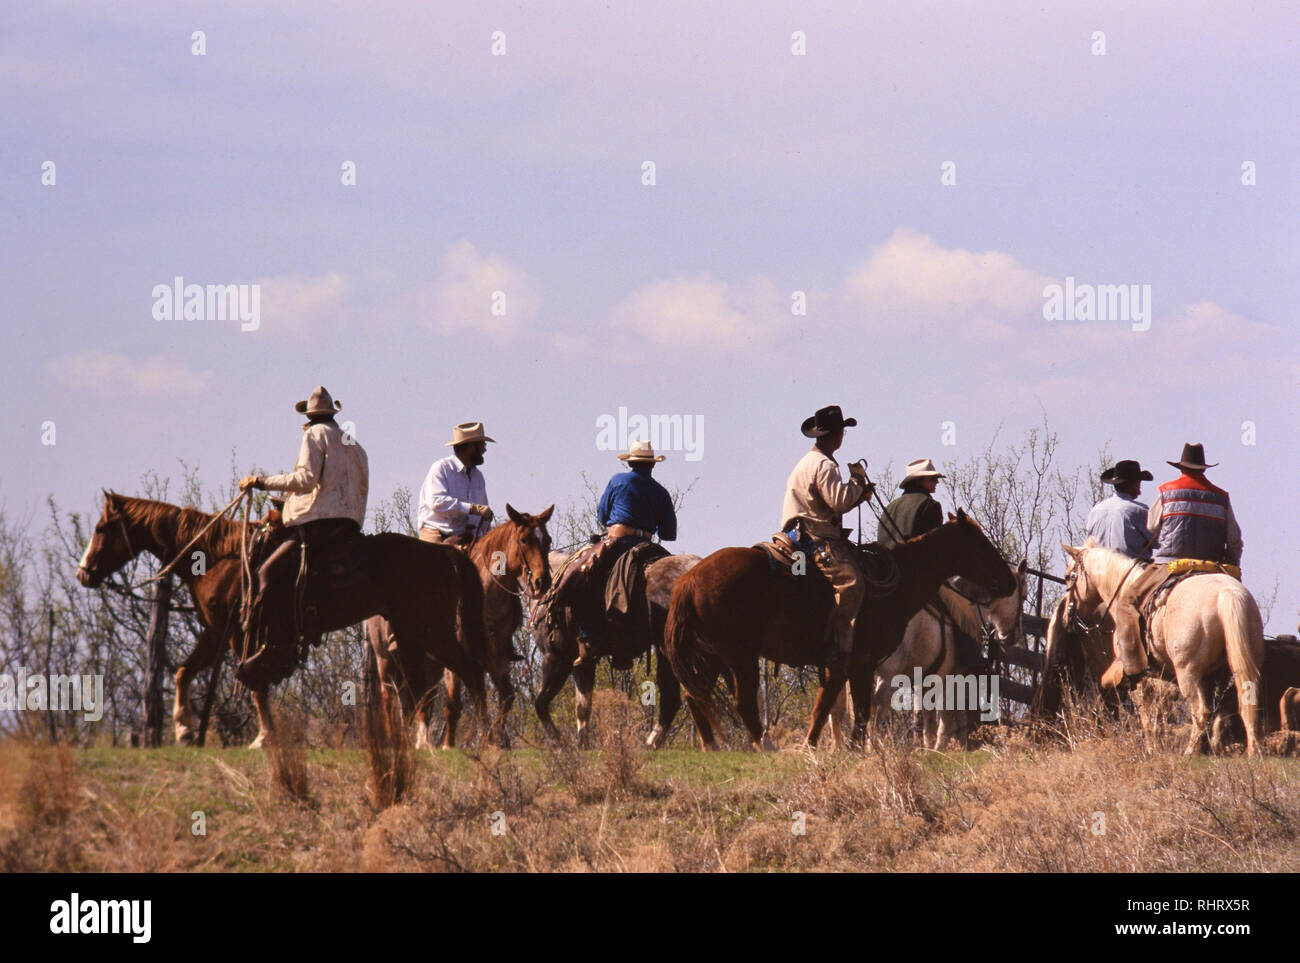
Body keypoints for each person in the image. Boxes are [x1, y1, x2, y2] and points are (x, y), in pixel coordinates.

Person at [238, 386, 369, 669]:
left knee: (266, 573)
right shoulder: (355, 445)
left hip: (319, 524)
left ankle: (276, 644)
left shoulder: (313, 435)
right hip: (349, 525)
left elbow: (306, 479)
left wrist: (260, 482)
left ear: (308, 417)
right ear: (332, 414)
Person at [1103, 443, 1242, 688]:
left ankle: (1134, 667)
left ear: (1181, 467)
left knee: (1128, 601)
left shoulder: (1167, 491)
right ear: (1203, 468)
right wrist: (1232, 565)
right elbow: (1234, 539)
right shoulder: (1221, 496)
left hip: (1170, 565)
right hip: (1212, 566)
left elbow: (1152, 527)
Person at [780, 405, 873, 672]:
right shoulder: (824, 465)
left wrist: (859, 495)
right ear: (837, 435)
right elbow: (839, 501)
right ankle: (837, 645)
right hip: (816, 537)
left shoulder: (806, 462)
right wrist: (857, 481)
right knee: (852, 583)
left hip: (794, 532)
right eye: (842, 431)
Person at [570, 439, 677, 667]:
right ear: (653, 465)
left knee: (583, 578)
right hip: (649, 545)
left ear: (630, 463)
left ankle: (588, 638)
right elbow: (669, 533)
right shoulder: (661, 491)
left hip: (617, 541)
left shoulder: (617, 480)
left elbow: (602, 514)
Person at [418, 422, 495, 544]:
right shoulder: (441, 468)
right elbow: (436, 502)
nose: (484, 449)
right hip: (436, 535)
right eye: (482, 444)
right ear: (471, 446)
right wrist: (472, 508)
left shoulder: (478, 477)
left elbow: (482, 516)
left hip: (466, 539)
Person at [1085, 460, 1154, 560]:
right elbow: (1160, 542)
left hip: (1098, 569)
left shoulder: (1095, 510)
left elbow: (1089, 542)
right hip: (1131, 569)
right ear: (1134, 483)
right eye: (1139, 481)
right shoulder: (1140, 511)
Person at [877, 458, 945, 547]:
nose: (937, 482)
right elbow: (932, 547)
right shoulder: (930, 505)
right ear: (918, 480)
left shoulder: (890, 506)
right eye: (933, 478)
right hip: (913, 559)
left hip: (883, 560)